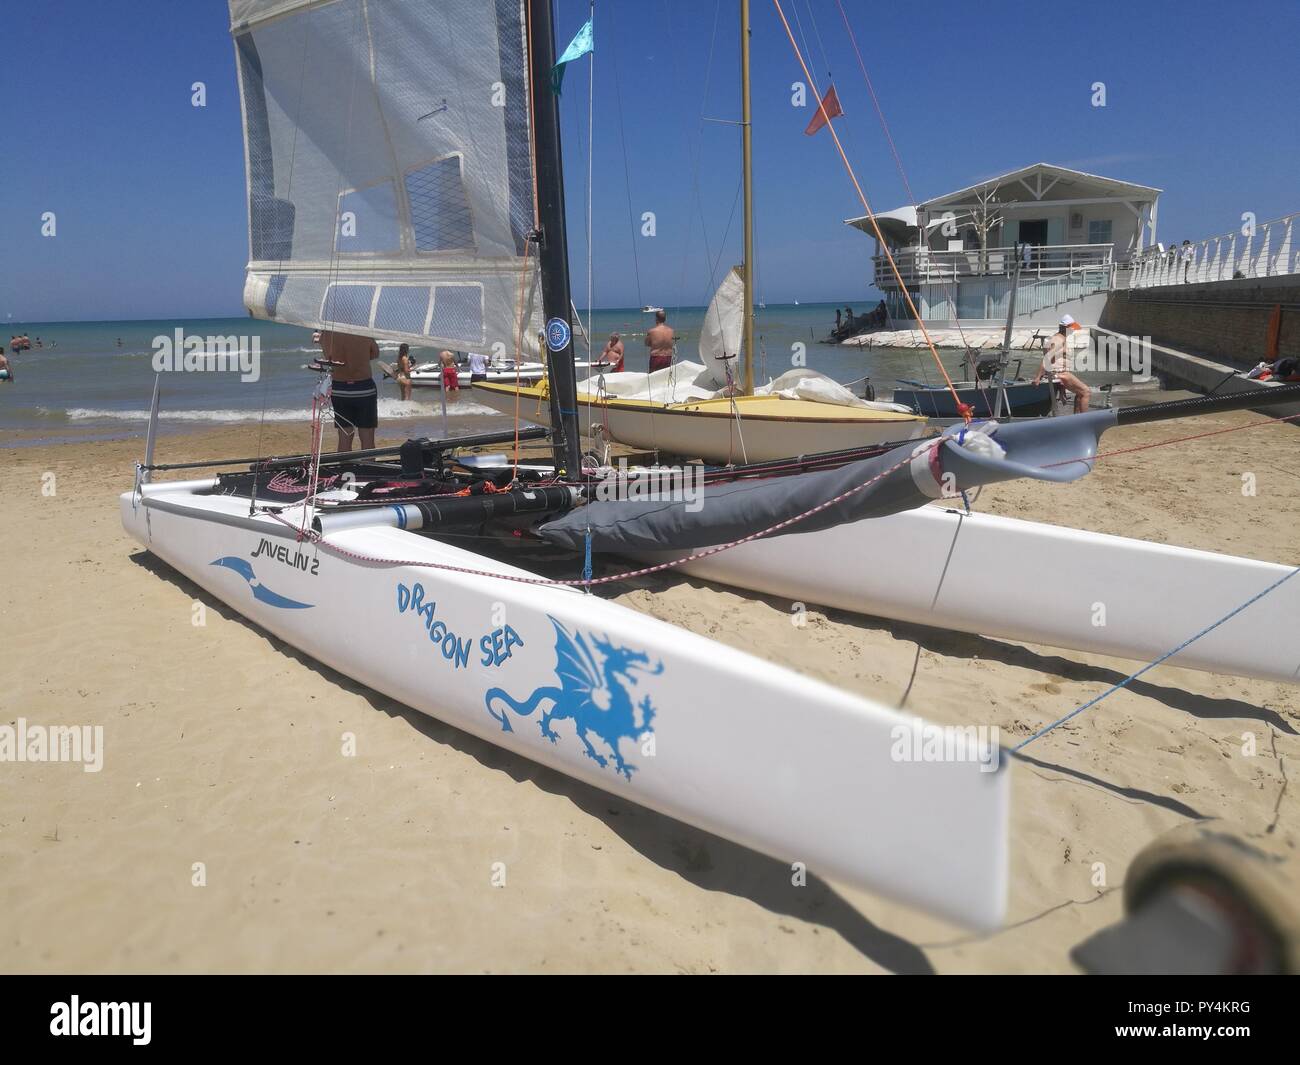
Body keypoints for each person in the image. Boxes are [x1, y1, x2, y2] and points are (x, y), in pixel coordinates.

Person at [319, 329, 380, 451]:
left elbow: (326, 354)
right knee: (367, 436)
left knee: (344, 436)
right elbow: (375, 353)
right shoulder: (362, 330)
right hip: (363, 387)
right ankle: (368, 469)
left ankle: (345, 469)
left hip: (340, 388)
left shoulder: (327, 332)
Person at [1033, 314, 1090, 413]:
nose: (1073, 331)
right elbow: (1047, 358)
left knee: (1080, 393)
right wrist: (1038, 377)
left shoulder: (1061, 338)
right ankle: (1085, 420)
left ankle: (1077, 419)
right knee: (1086, 392)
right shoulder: (1058, 340)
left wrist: (1061, 388)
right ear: (1066, 327)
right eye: (1072, 328)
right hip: (1060, 374)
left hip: (1060, 374)